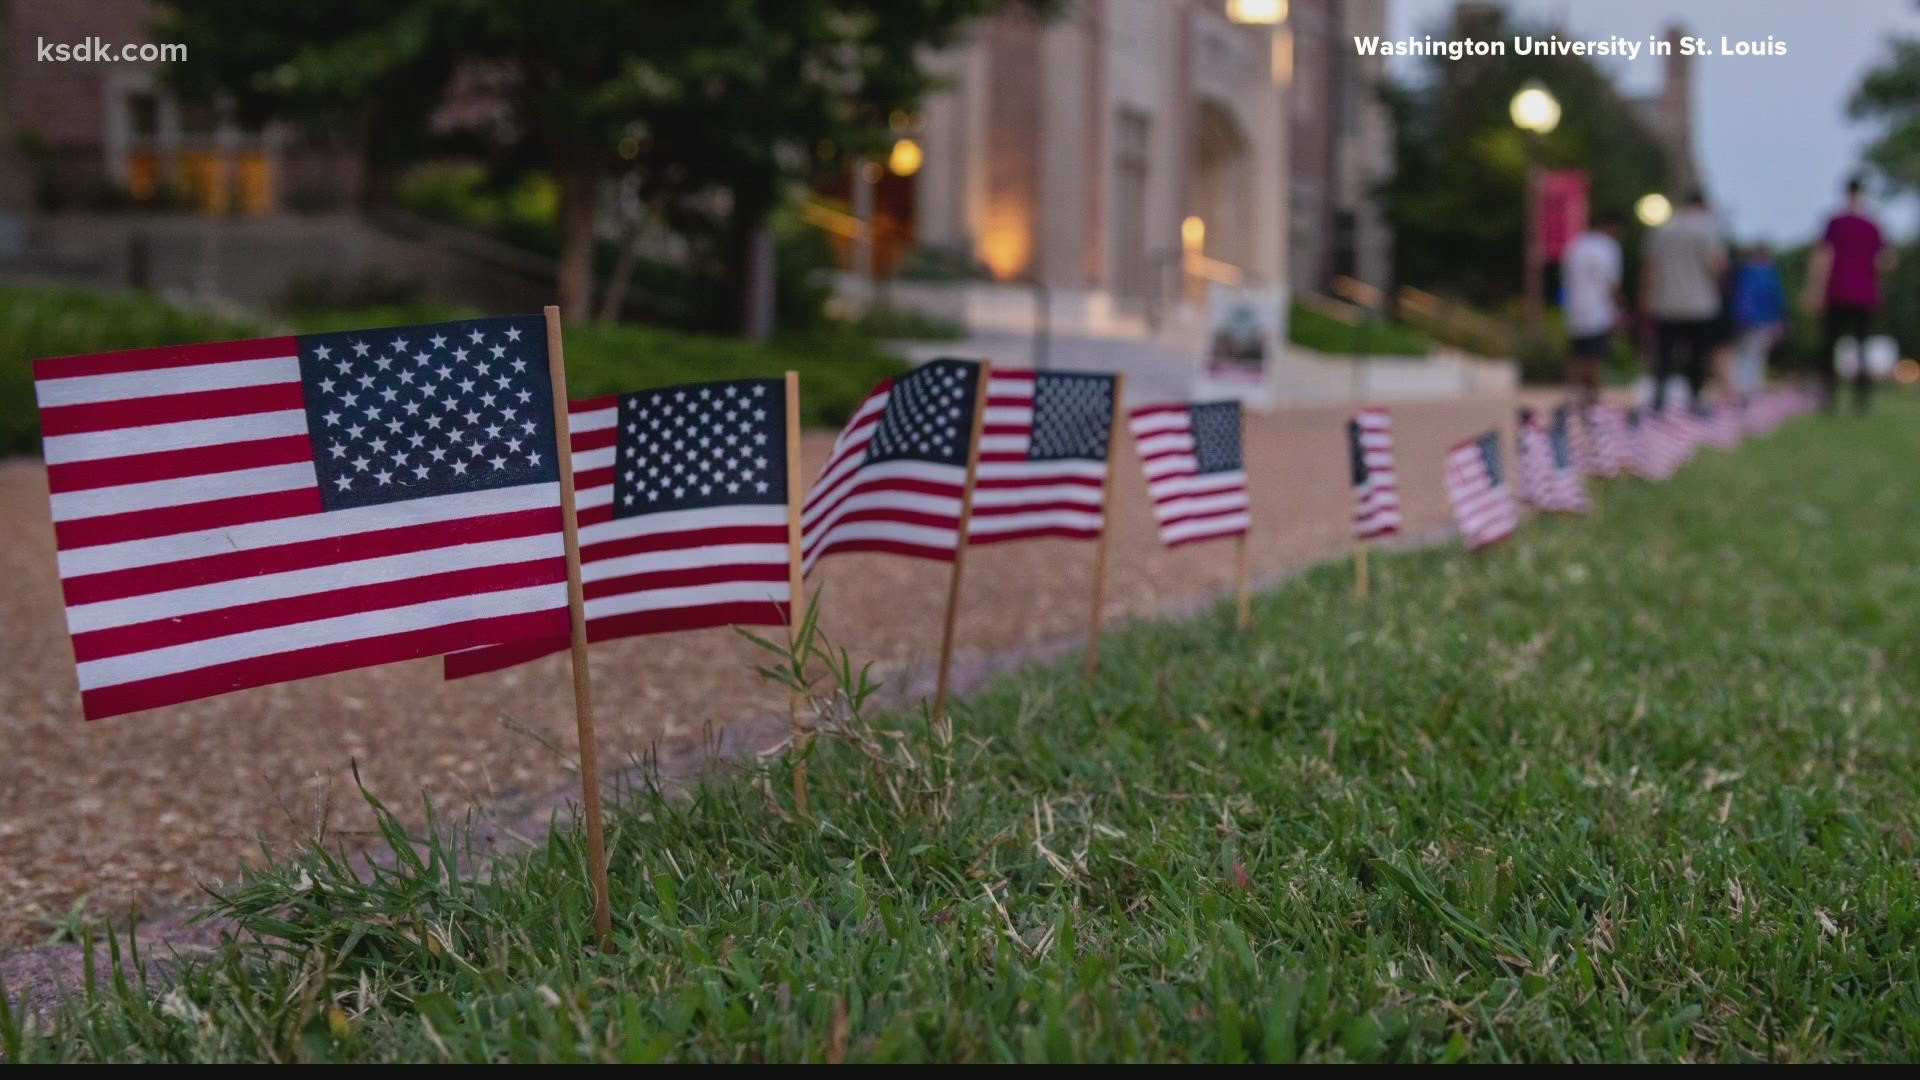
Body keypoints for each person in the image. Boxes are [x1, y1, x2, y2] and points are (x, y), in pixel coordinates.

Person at [1807, 176, 1893, 413]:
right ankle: (1862, 400)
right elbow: (1885, 260)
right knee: (1862, 346)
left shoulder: (1835, 223)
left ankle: (1829, 398)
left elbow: (1823, 257)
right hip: (1864, 294)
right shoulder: (1873, 225)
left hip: (1837, 291)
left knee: (1830, 346)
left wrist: (1815, 290)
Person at [1641, 188, 1728, 414]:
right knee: (1697, 355)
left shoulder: (1662, 230)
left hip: (1666, 301)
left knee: (1663, 355)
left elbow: (1650, 267)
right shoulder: (1706, 229)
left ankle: (1658, 399)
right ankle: (1696, 398)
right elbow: (1717, 265)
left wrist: (1647, 298)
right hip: (1700, 303)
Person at [1562, 214, 1624, 408]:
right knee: (1594, 356)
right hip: (1597, 309)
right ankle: (1593, 398)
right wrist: (1617, 307)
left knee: (1577, 354)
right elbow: (1610, 282)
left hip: (1575, 306)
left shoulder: (1576, 244)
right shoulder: (1608, 247)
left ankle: (1574, 394)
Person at [1729, 245, 1786, 403]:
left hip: (1743, 320)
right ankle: (1750, 390)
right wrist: (1779, 320)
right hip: (1762, 321)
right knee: (1756, 356)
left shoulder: (1742, 272)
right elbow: (1776, 299)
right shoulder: (1769, 274)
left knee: (1742, 355)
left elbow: (1737, 297)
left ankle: (1740, 389)